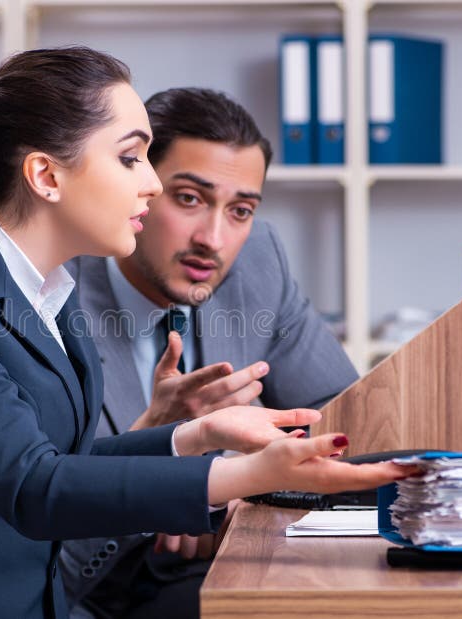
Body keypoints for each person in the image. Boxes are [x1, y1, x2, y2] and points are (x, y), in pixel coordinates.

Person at [0, 48, 414, 619]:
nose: (151, 185)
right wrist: (252, 474)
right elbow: (33, 485)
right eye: (131, 159)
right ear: (45, 175)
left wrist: (192, 436)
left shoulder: (39, 282)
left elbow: (61, 459)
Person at [60, 88, 359, 619]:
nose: (214, 240)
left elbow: (343, 418)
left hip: (220, 566)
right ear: (138, 185)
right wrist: (161, 459)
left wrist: (232, 487)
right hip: (87, 587)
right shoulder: (52, 291)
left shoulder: (258, 258)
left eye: (240, 209)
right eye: (190, 199)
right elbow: (31, 523)